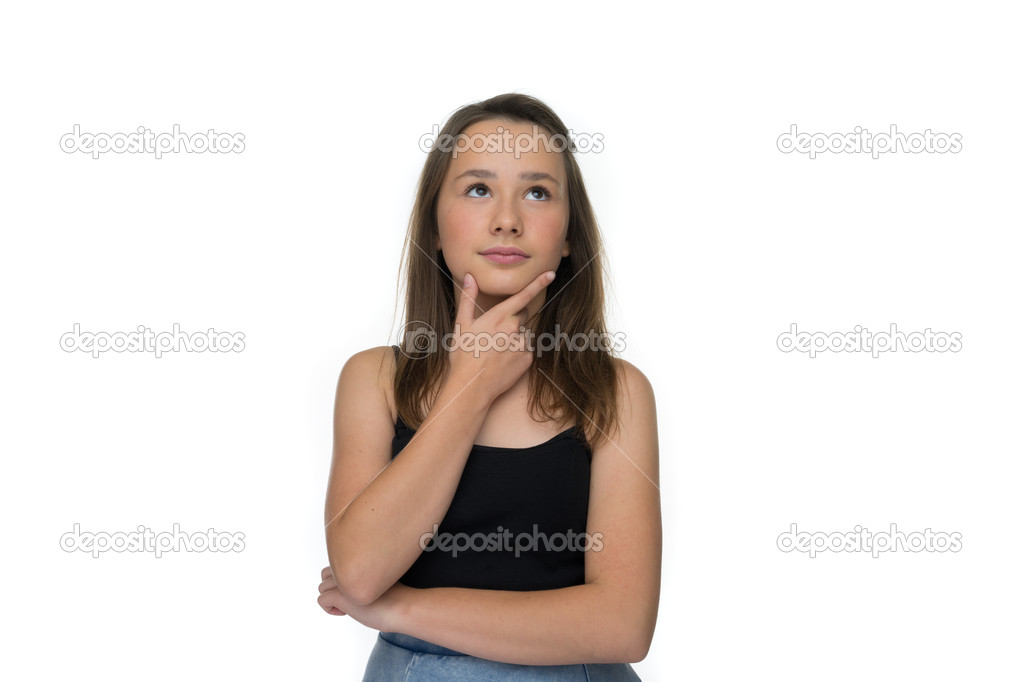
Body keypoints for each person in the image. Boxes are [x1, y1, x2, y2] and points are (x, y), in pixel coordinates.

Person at [317, 93, 661, 680]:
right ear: (434, 222)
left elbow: (622, 626)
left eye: (537, 191)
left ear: (570, 233)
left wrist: (400, 609)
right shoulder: (373, 380)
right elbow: (361, 570)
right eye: (478, 189)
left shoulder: (616, 392)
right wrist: (470, 385)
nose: (507, 218)